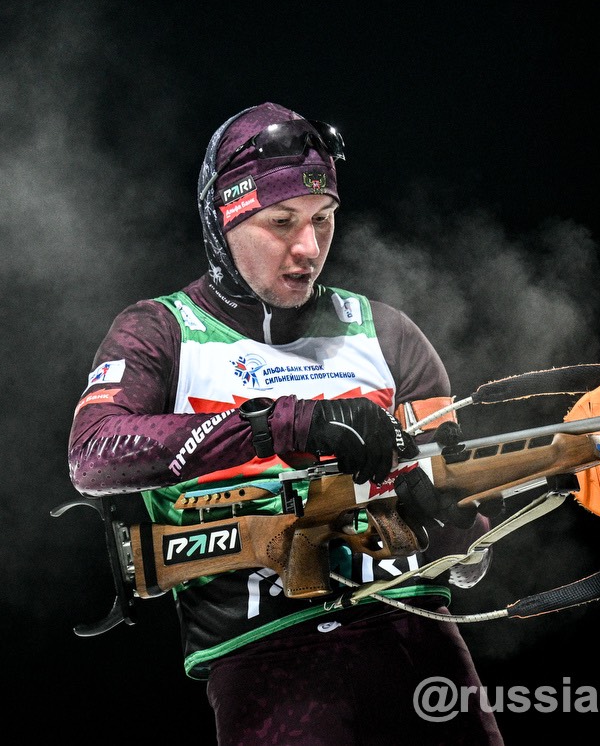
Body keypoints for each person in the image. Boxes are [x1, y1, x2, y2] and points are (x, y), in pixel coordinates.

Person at [67, 102, 504, 745]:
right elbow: (93, 453)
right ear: (223, 218)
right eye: (282, 223)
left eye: (323, 220)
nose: (308, 249)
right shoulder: (161, 330)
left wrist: (458, 522)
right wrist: (277, 426)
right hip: (265, 659)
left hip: (414, 641)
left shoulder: (387, 334)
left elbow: (470, 566)